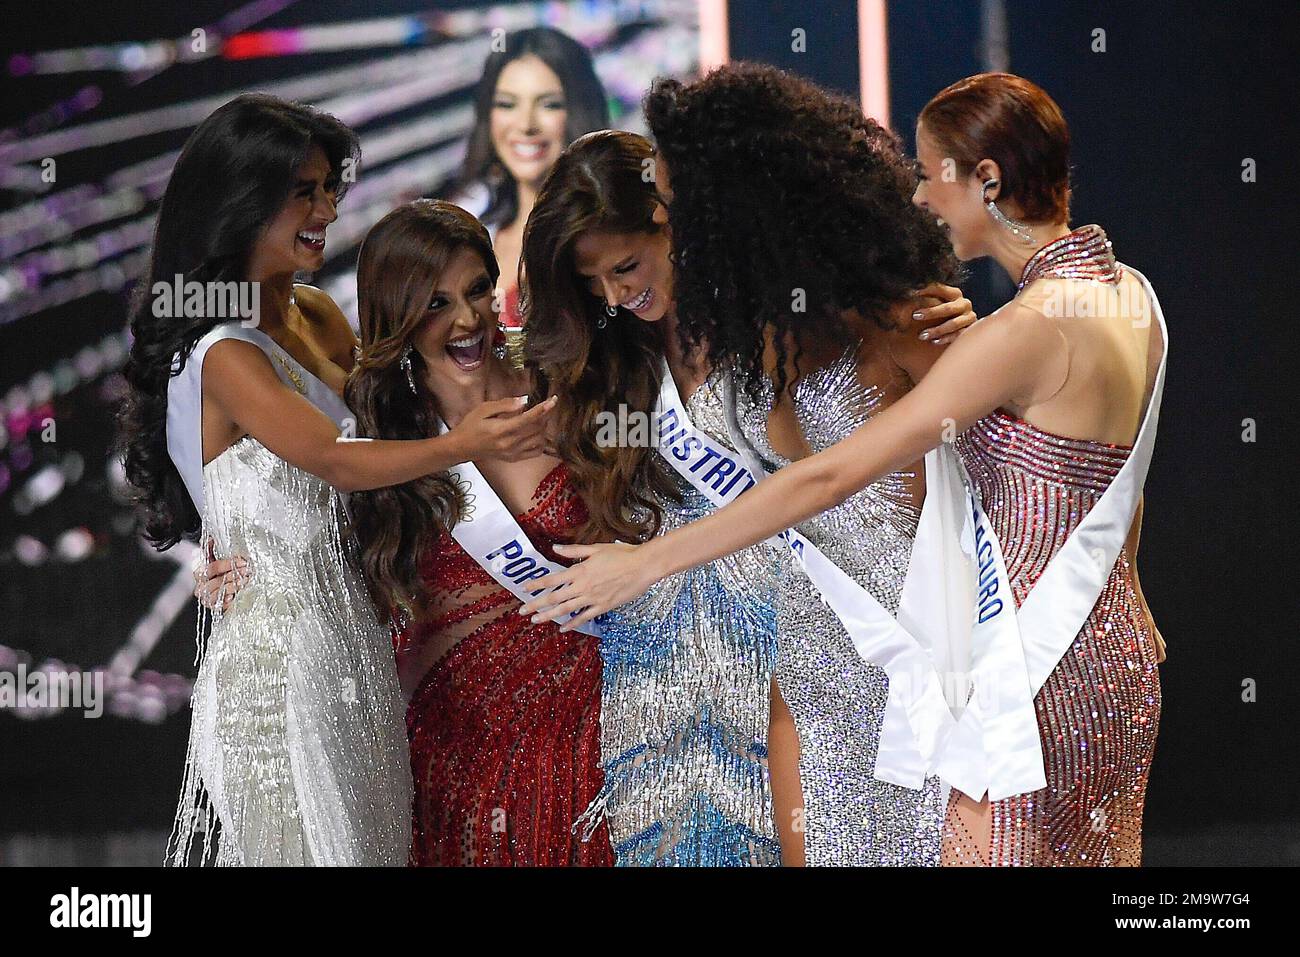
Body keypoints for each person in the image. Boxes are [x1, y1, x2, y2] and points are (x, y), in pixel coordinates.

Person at [524, 71, 1167, 868]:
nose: (665, 229)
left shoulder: (911, 315)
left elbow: (1073, 474)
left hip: (937, 654)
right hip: (817, 651)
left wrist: (1113, 574)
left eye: (674, 209)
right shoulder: (740, 328)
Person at [521, 124, 977, 865]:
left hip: (825, 626)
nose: (615, 294)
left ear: (675, 222)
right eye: (593, 282)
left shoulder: (791, 317)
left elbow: (985, 441)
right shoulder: (610, 357)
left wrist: (976, 335)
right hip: (674, 666)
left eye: (627, 265)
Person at [120, 94, 551, 866]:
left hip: (356, 645)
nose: (325, 208)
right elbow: (335, 457)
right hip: (278, 667)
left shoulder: (318, 312)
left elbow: (384, 421)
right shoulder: (223, 351)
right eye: (303, 192)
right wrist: (460, 443)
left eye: (328, 188)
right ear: (245, 201)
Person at [345, 199, 612, 866]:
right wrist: (224, 568)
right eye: (435, 304)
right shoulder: (379, 445)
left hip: (597, 743)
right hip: (459, 758)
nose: (465, 320)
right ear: (398, 319)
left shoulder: (569, 383)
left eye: (475, 291)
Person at [451, 27, 609, 329]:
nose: (525, 125)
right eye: (507, 104)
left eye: (549, 104)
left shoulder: (604, 238)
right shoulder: (470, 237)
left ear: (579, 111)